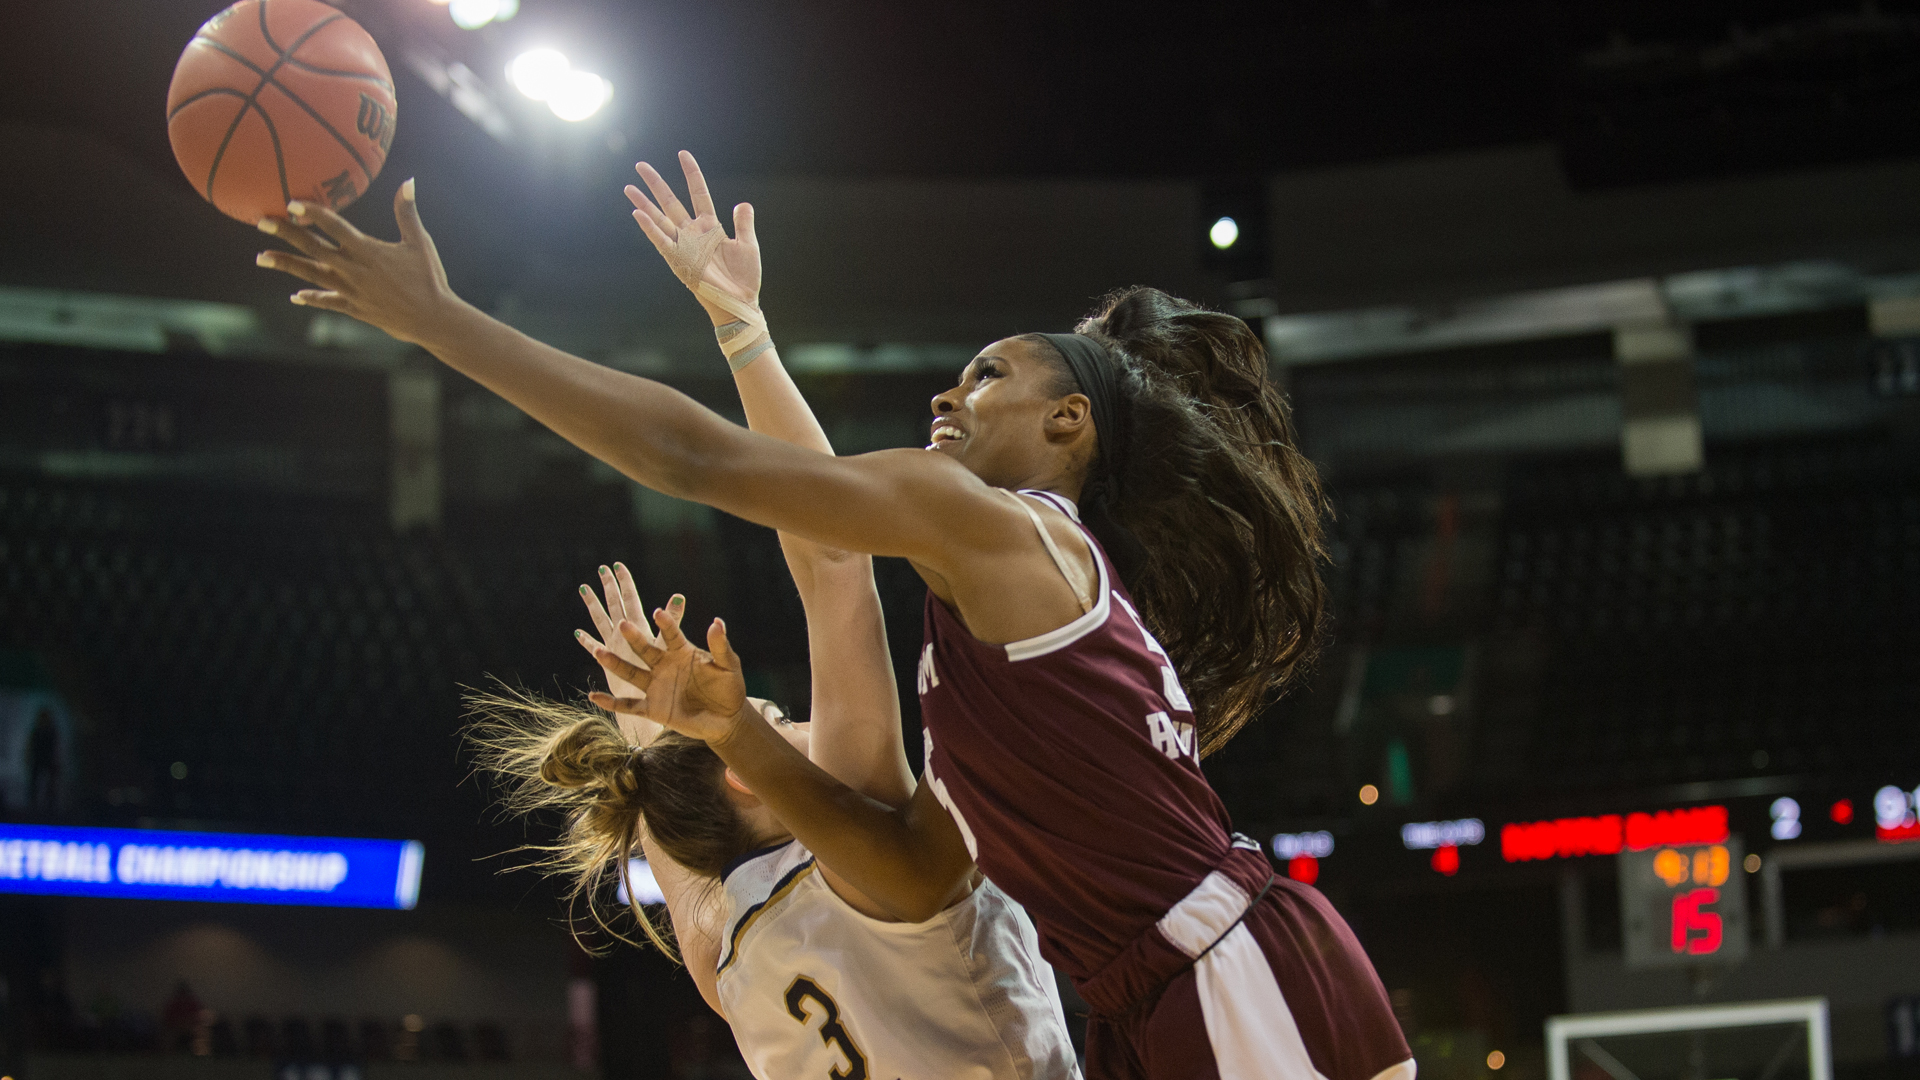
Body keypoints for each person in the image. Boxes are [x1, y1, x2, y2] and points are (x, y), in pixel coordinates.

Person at [255, 153, 1411, 1080]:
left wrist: (444, 323)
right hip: (1158, 989)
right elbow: (829, 569)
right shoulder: (999, 609)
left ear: (1069, 426)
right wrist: (742, 332)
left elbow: (702, 462)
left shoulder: (996, 528)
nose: (948, 392)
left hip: (1215, 968)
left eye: (987, 374)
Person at [467, 328, 1079, 1077]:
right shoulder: (856, 838)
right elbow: (834, 555)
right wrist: (744, 333)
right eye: (778, 721)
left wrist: (651, 740)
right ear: (743, 777)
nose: (800, 721)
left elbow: (679, 854)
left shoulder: (727, 956)